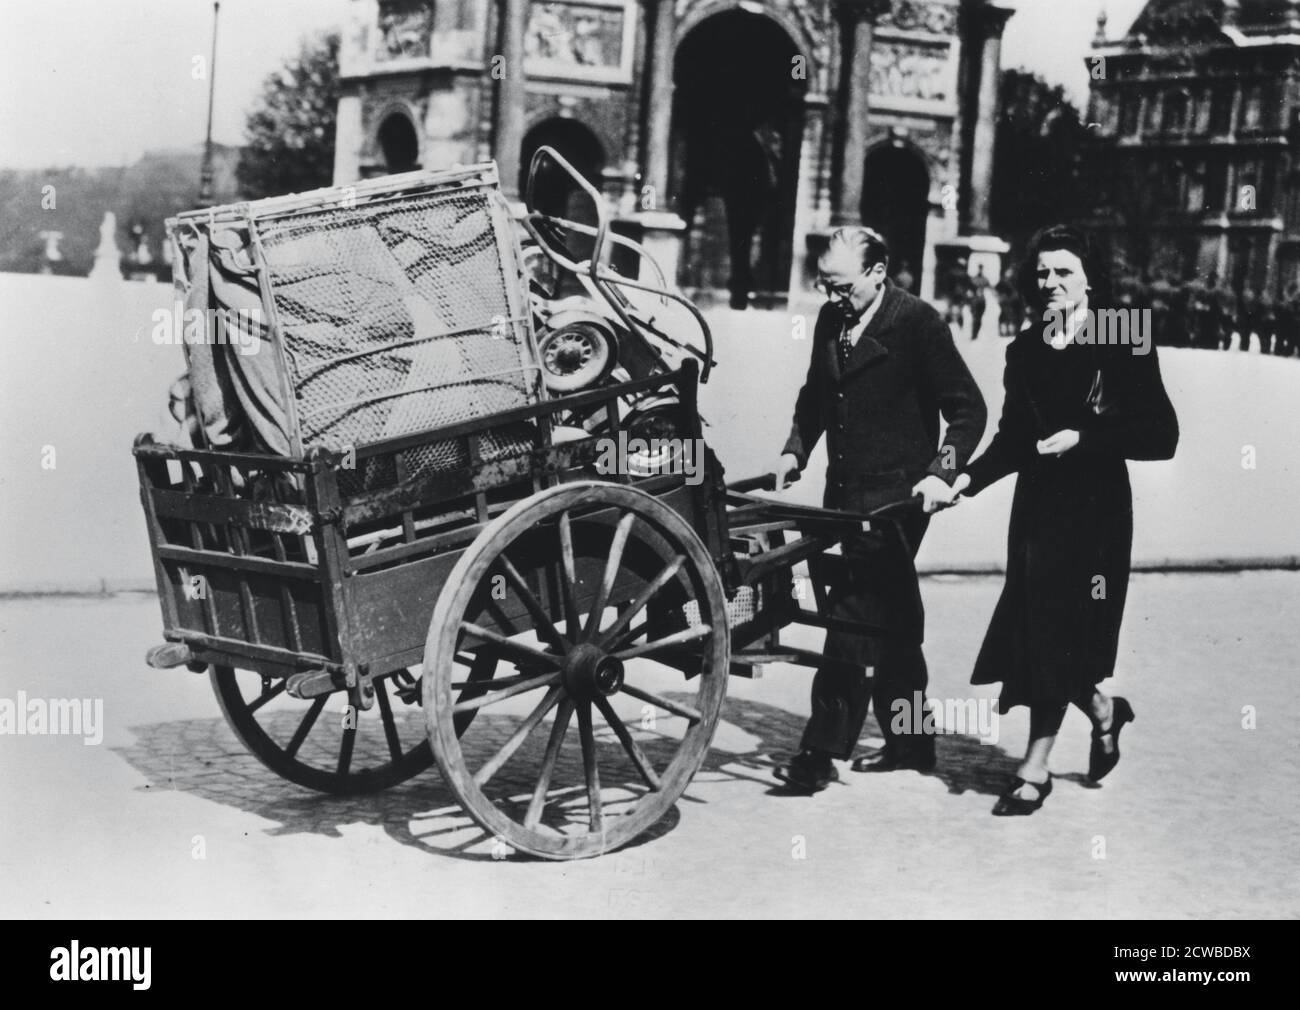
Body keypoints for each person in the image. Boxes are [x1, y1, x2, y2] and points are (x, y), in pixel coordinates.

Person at [950, 225, 1178, 815]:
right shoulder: (1024, 350)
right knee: (1040, 633)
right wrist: (965, 480)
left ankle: (1034, 769)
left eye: (1064, 272)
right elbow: (1011, 441)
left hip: (1096, 511)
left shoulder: (1120, 333)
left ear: (1090, 279)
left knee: (1055, 633)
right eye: (1043, 273)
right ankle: (1103, 711)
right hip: (1037, 511)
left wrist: (1086, 437)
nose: (1050, 283)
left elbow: (1162, 434)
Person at [771, 226, 987, 791]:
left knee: (851, 610)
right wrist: (797, 449)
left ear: (877, 272)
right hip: (842, 493)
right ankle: (911, 740)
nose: (832, 298)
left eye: (842, 287)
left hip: (899, 498)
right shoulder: (832, 318)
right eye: (824, 287)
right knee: (892, 617)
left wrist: (943, 473)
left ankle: (819, 752)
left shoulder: (916, 322)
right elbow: (817, 392)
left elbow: (968, 410)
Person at [970, 263, 991, 339]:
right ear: (978, 269)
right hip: (975, 301)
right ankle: (973, 334)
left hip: (982, 301)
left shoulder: (985, 279)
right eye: (979, 268)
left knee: (979, 318)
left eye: (981, 269)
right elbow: (969, 290)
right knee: (975, 318)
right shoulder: (973, 279)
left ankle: (976, 333)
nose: (980, 270)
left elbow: (990, 288)